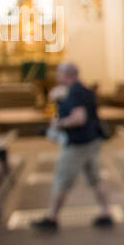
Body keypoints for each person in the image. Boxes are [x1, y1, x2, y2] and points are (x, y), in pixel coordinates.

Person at [31, 62, 113, 231]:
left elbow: (79, 118)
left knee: (62, 178)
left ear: (67, 74)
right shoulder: (82, 89)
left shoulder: (75, 92)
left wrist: (57, 124)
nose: (56, 77)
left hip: (78, 144)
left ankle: (52, 217)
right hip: (90, 141)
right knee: (95, 178)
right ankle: (106, 213)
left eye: (59, 74)